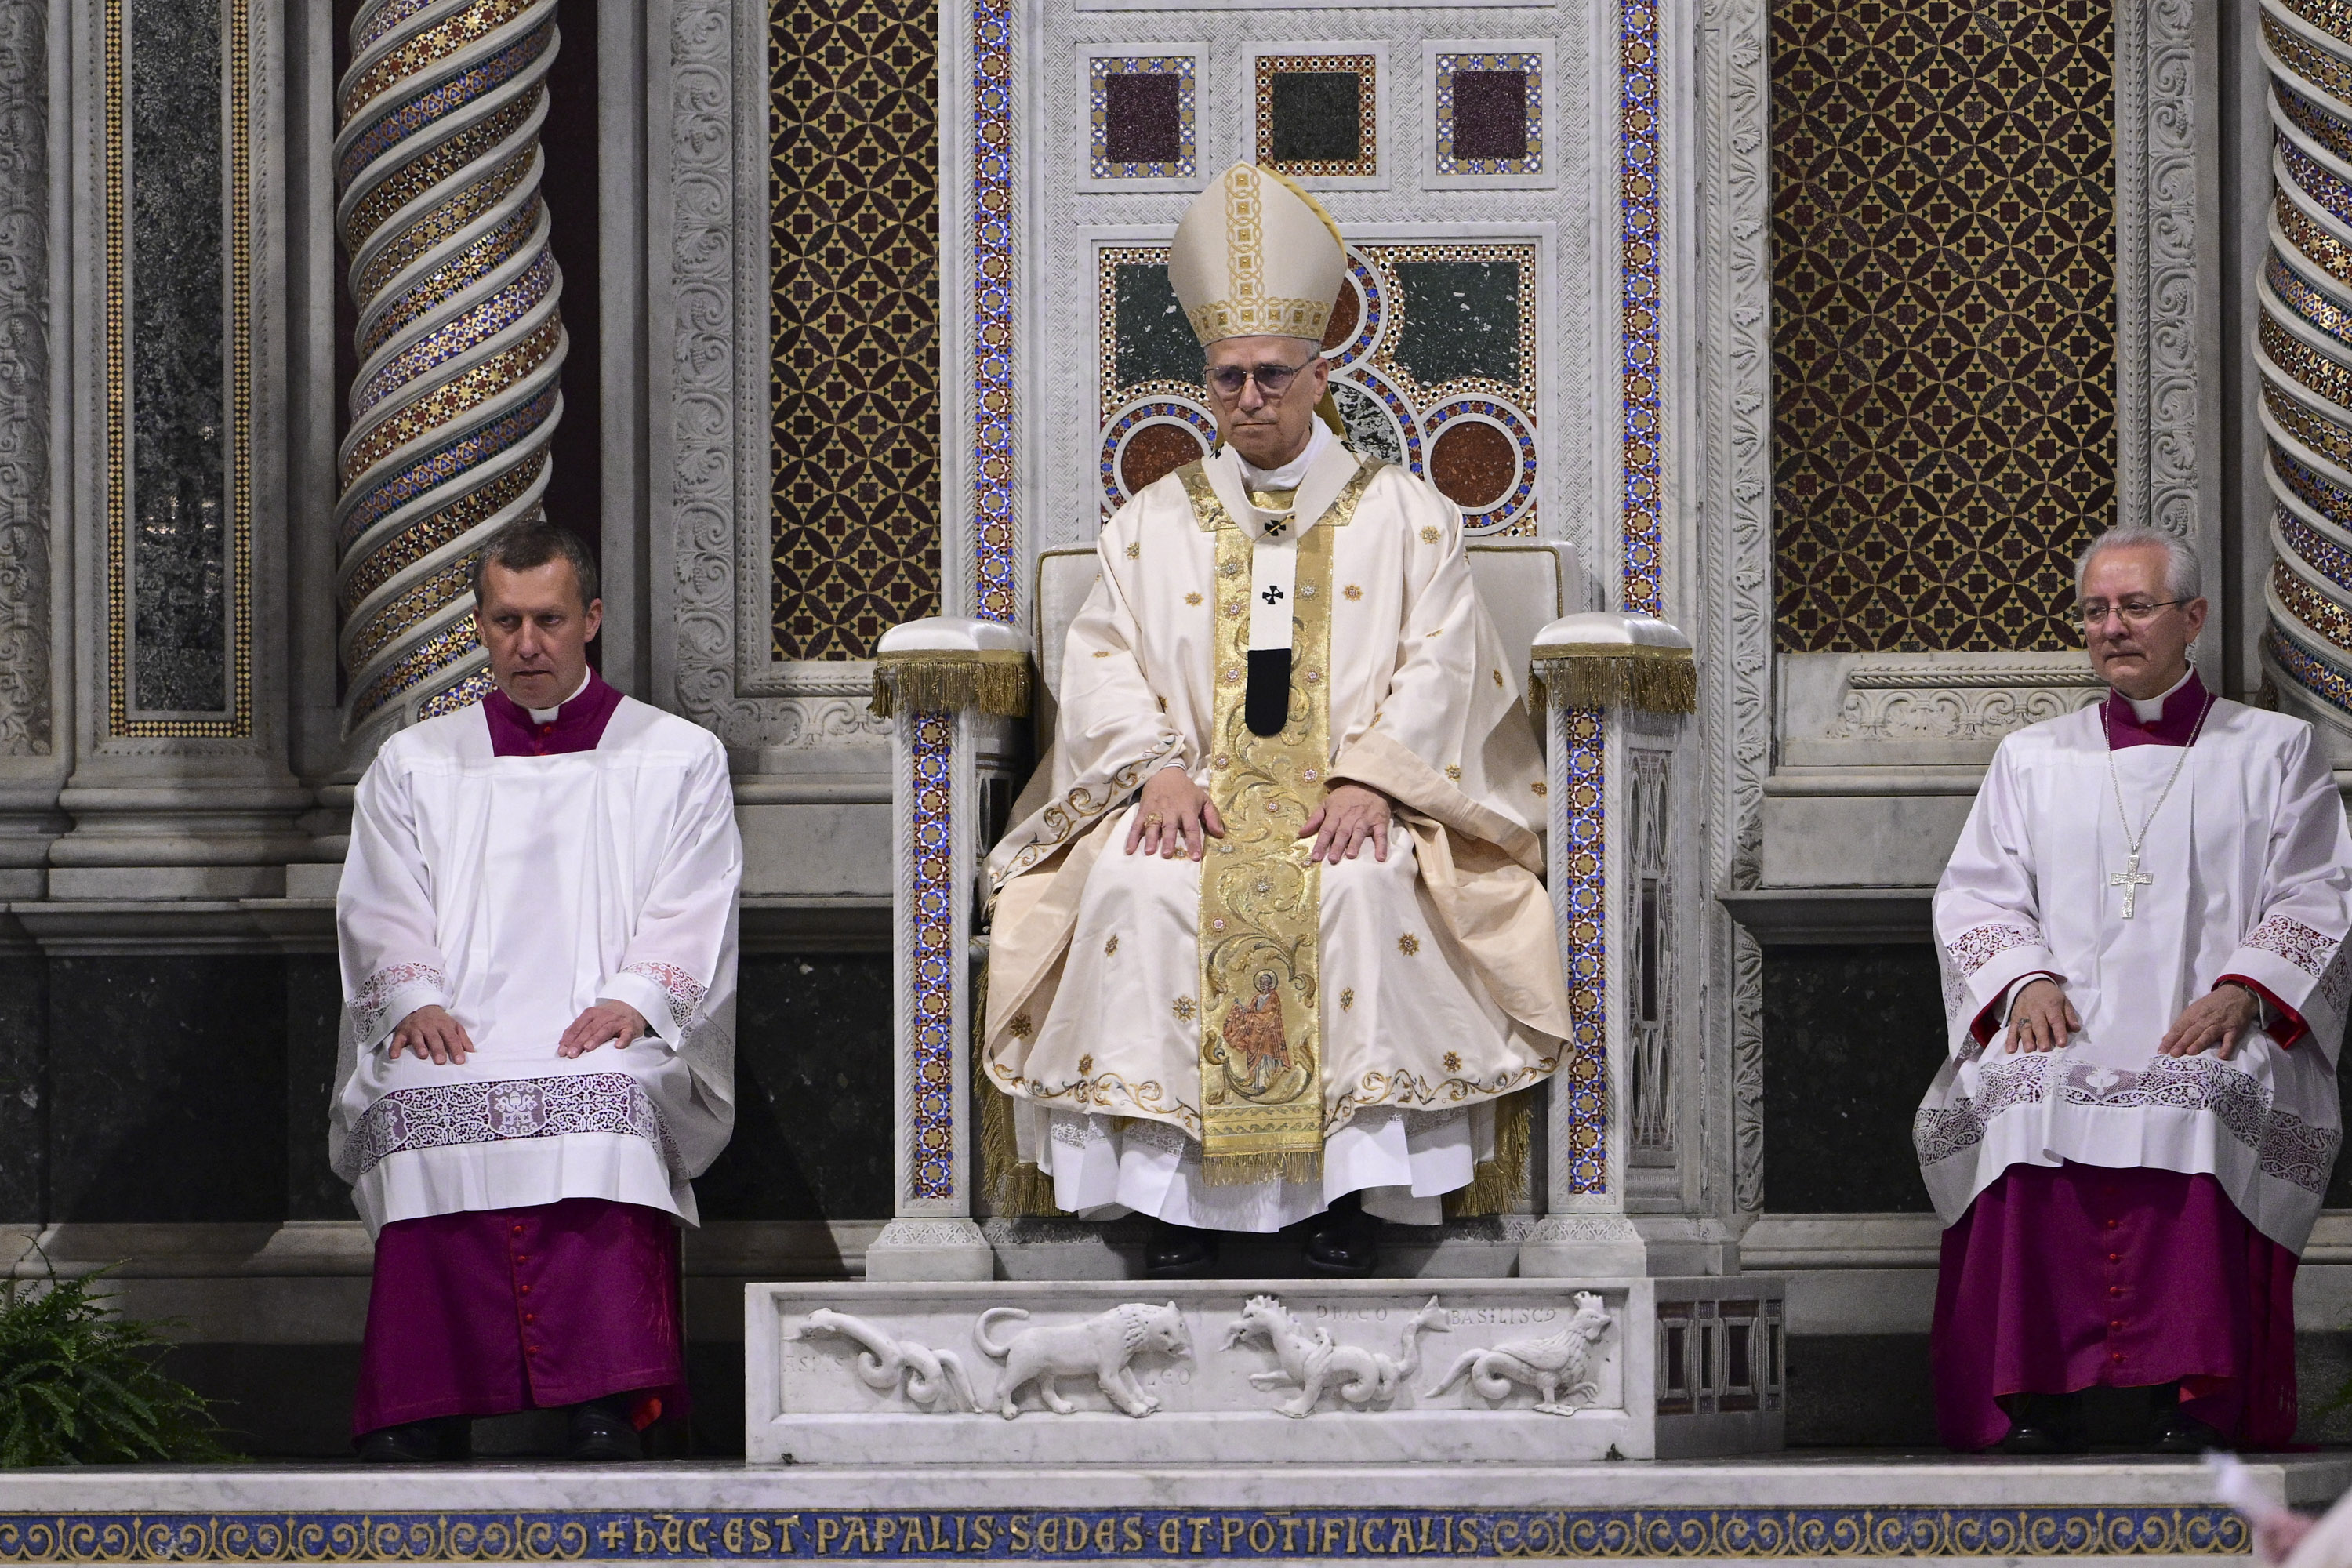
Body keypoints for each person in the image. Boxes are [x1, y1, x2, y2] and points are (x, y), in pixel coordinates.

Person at [979, 162, 1571, 1277]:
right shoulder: (1150, 523)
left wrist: (1374, 779)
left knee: (1361, 889)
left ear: (1319, 373)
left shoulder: (1407, 515)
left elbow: (1445, 663)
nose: (1249, 397)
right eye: (1228, 378)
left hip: (1349, 802)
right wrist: (1153, 769)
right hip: (1189, 798)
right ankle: (1165, 1206)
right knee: (1140, 887)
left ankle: (1339, 1206)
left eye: (1270, 375)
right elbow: (1102, 658)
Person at [1917, 524, 2352, 1454]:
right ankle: (2038, 1393)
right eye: (2096, 609)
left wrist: (2246, 991)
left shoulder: (2273, 750)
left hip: (2213, 1025)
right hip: (2063, 1027)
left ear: (2192, 618)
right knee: (2025, 1095)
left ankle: (2194, 1398)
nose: (2112, 626)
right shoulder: (2032, 757)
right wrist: (2023, 978)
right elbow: (1975, 892)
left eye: (2137, 605)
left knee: (2199, 1101)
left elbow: (2318, 890)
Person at [332, 517, 741, 1461]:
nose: (528, 644)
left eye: (549, 619)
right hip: (455, 1026)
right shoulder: (417, 762)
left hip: (603, 1022)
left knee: (607, 1104)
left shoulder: (676, 754)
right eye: (507, 621)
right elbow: (380, 902)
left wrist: (639, 996)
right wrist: (412, 1001)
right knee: (412, 1100)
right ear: (479, 625)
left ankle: (606, 1399)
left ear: (590, 618)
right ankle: (425, 1402)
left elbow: (696, 896)